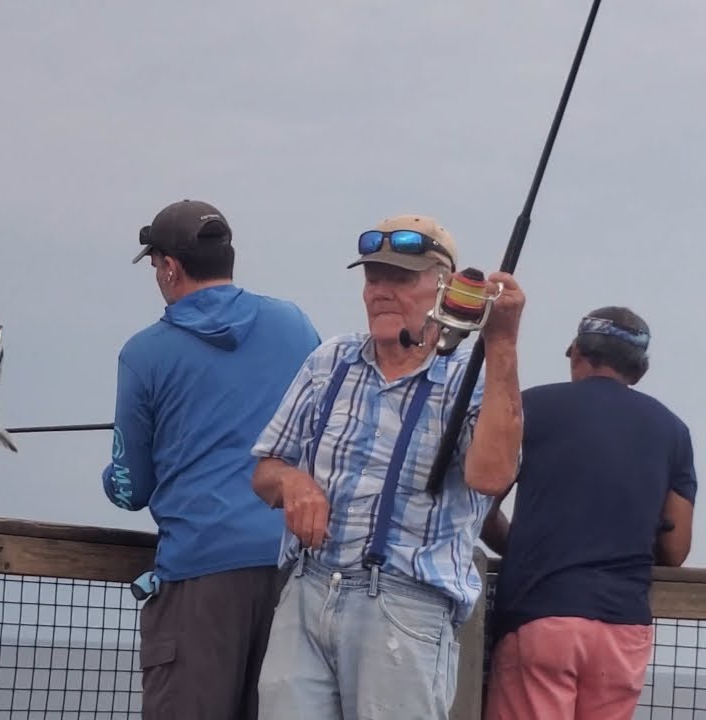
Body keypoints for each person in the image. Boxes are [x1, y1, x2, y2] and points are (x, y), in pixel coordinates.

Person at [249, 214, 525, 719]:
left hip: (407, 608)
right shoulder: (329, 361)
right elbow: (264, 471)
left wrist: (501, 344)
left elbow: (492, 477)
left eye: (400, 278)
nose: (380, 290)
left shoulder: (475, 379)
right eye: (374, 277)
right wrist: (293, 481)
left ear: (445, 286)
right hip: (307, 592)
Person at [100, 199, 322, 719]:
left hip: (199, 579)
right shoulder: (293, 324)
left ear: (170, 267)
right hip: (292, 573)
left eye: (155, 264)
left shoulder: (144, 353)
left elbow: (132, 490)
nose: (157, 274)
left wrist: (112, 476)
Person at [481, 307, 696, 720]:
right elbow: (675, 549)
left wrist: (522, 548)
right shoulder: (673, 431)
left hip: (541, 613)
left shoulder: (530, 408)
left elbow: (482, 510)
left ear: (577, 352)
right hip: (623, 629)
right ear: (639, 371)